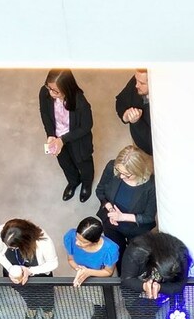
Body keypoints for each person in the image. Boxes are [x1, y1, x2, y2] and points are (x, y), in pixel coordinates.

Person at [39, 69, 96, 202]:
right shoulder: (44, 92)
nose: (51, 93)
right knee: (65, 163)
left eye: (56, 91)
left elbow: (86, 126)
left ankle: (87, 184)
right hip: (57, 136)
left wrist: (63, 140)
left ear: (67, 89)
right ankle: (73, 181)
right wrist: (51, 135)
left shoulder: (80, 102)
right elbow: (45, 114)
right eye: (49, 88)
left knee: (83, 163)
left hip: (77, 139)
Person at [95, 145, 157, 243]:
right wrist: (110, 209)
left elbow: (148, 217)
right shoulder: (112, 167)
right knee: (116, 255)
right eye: (119, 171)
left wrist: (122, 217)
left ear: (138, 171)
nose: (121, 176)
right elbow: (100, 191)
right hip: (111, 222)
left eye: (127, 174)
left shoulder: (151, 185)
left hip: (136, 229)